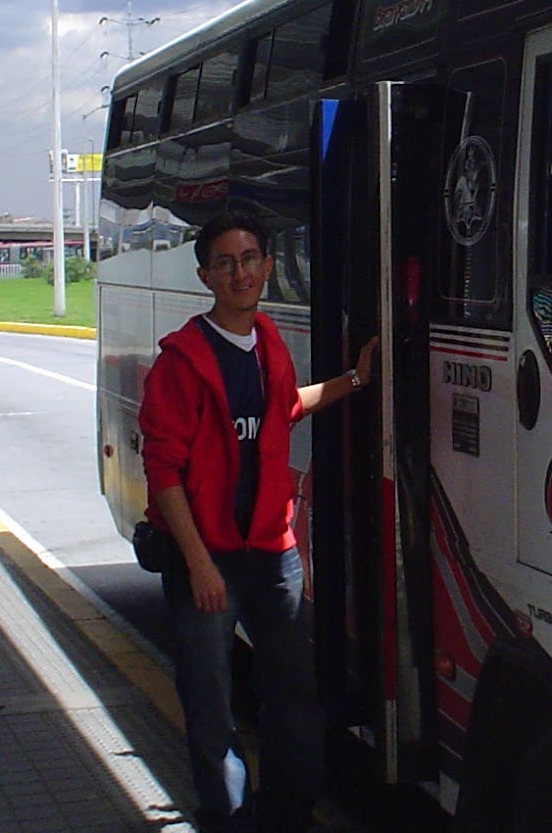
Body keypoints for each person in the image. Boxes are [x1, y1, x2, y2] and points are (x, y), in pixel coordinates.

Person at [139, 209, 377, 833]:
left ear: (269, 268)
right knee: (212, 704)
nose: (240, 272)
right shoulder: (182, 362)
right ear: (205, 275)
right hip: (208, 558)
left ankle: (286, 815)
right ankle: (228, 818)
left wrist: (354, 380)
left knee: (295, 698)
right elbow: (162, 472)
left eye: (249, 260)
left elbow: (284, 410)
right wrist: (197, 565)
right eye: (225, 262)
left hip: (272, 553)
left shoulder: (268, 340)